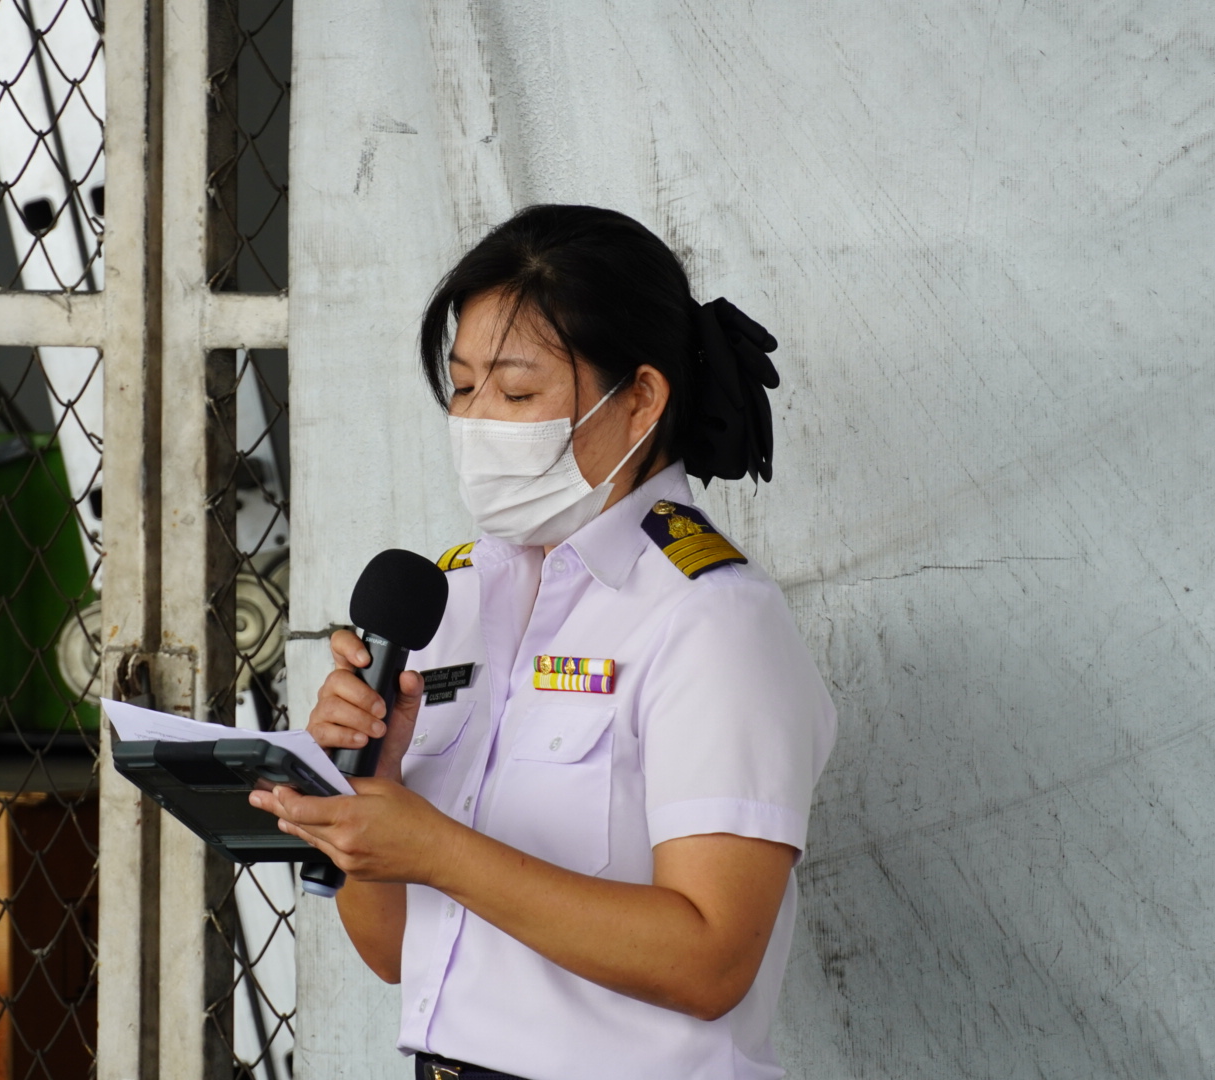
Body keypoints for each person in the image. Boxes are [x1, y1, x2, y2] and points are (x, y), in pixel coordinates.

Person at [250, 205, 836, 1080]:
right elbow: (396, 955)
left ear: (639, 398)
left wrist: (438, 850)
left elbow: (711, 959)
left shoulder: (712, 622)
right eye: (462, 386)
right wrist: (369, 797)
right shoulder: (452, 602)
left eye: (518, 391)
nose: (480, 419)